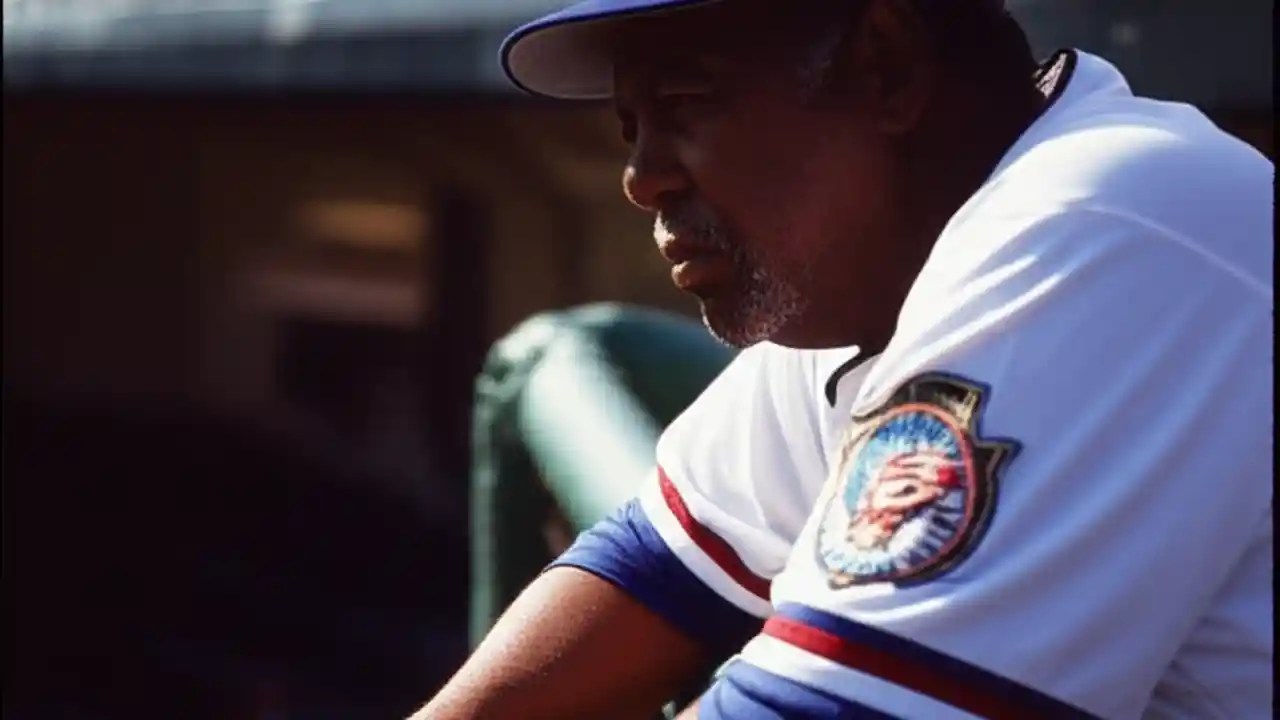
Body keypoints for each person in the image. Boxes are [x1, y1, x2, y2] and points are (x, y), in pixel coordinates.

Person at [417, 0, 1273, 717]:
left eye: (685, 101)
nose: (641, 178)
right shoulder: (881, 271)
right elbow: (651, 576)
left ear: (884, 67)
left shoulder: (1110, 216)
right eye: (631, 126)